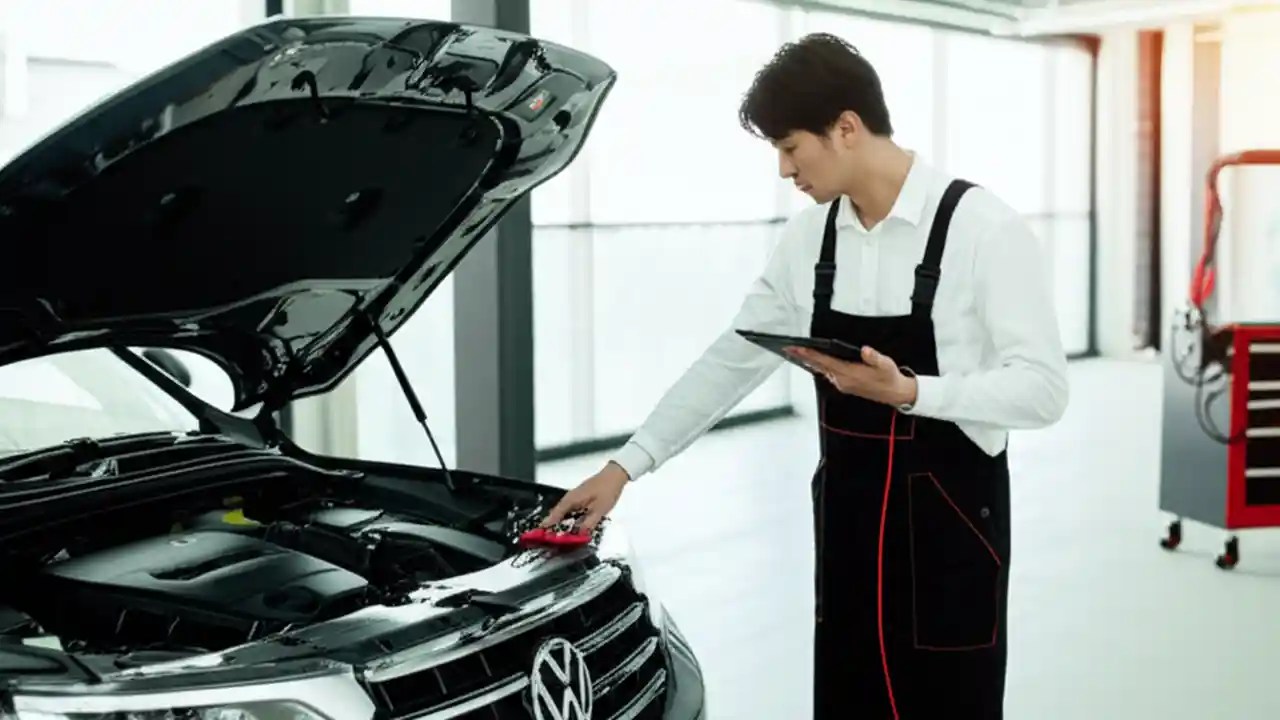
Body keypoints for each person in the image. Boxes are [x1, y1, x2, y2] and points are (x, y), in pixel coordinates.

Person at [541, 32, 1069, 719]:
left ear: (846, 128)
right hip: (846, 516)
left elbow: (1044, 389)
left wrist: (911, 392)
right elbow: (730, 361)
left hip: (951, 529)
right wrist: (622, 468)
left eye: (791, 148)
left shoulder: (983, 230)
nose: (786, 171)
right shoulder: (808, 241)